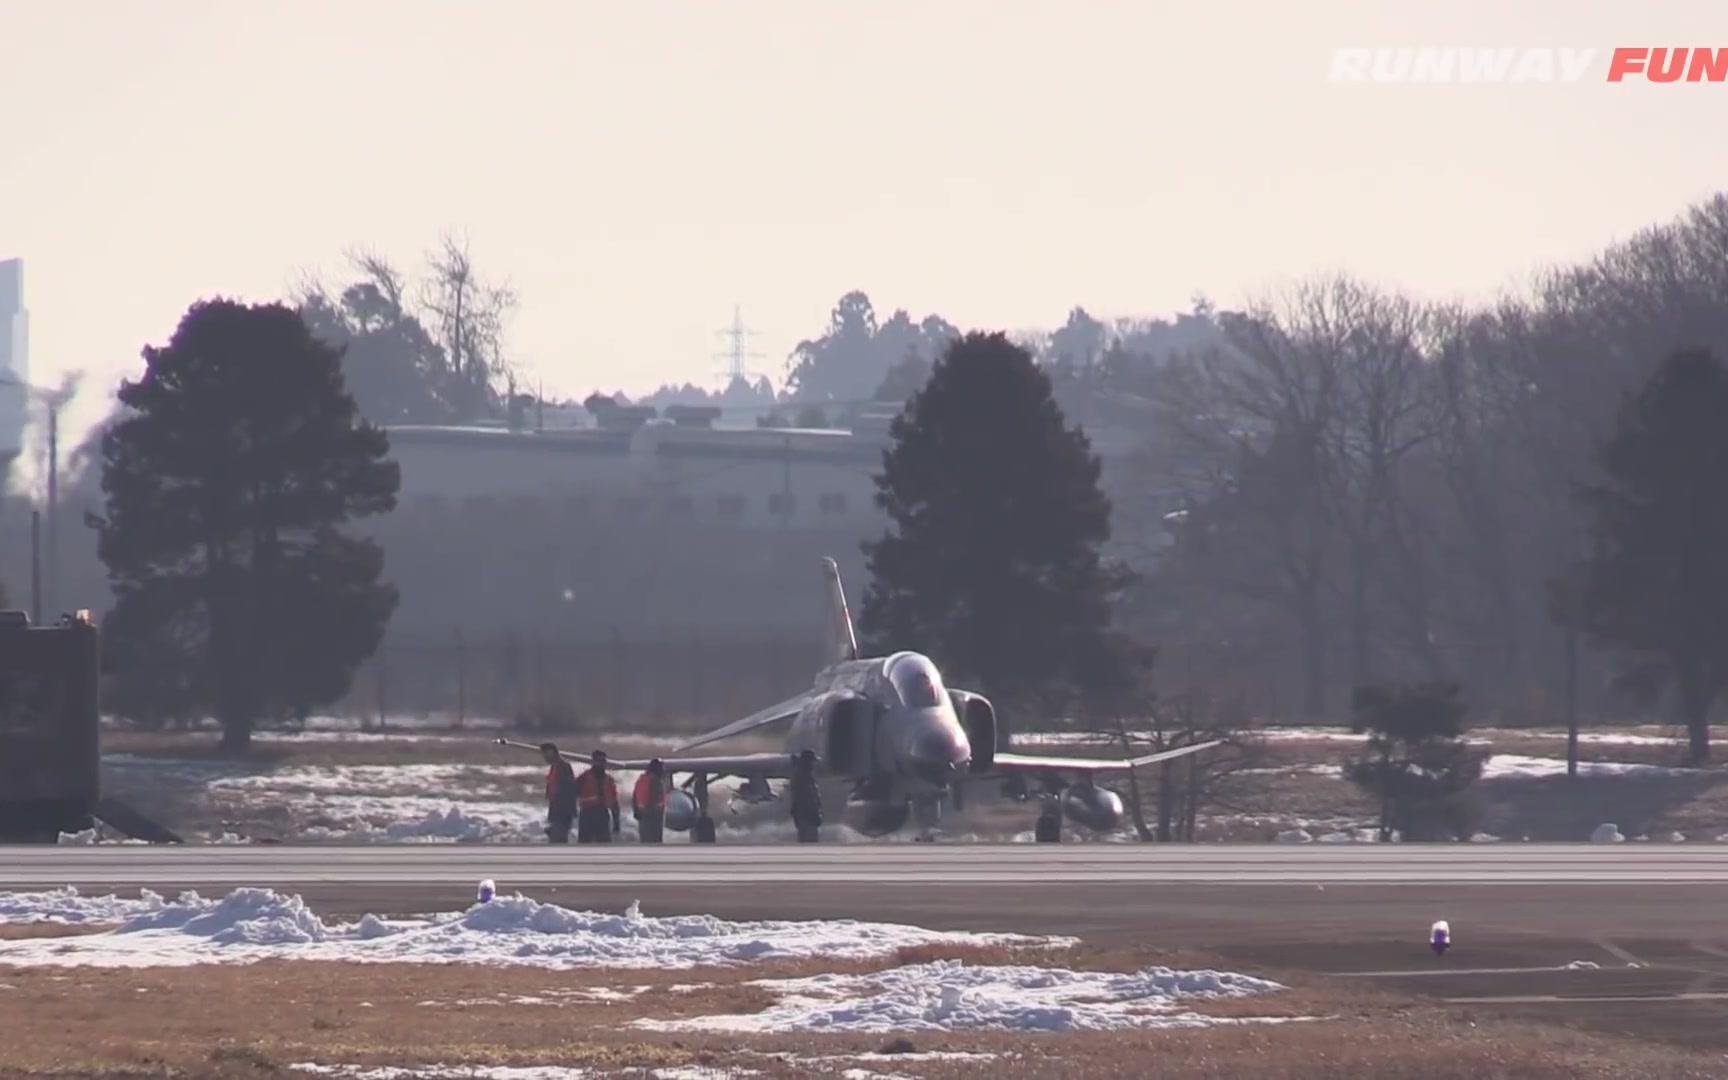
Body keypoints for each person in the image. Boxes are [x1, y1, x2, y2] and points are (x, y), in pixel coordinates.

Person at [575, 749, 622, 843]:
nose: (601, 764)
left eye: (603, 761)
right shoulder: (583, 778)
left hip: (602, 814)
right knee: (584, 844)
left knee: (604, 844)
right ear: (593, 762)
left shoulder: (609, 780)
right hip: (587, 814)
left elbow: (614, 801)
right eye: (599, 761)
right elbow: (572, 793)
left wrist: (616, 821)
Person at [541, 743, 577, 844]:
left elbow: (568, 790)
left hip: (562, 811)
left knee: (558, 840)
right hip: (556, 810)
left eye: (546, 754)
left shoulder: (563, 767)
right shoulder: (555, 767)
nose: (545, 757)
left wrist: (564, 814)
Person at [633, 758, 668, 844]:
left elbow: (634, 797)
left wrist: (636, 810)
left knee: (645, 839)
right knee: (655, 839)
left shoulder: (641, 780)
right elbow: (657, 799)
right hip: (653, 815)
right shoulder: (656, 781)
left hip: (642, 813)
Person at [790, 748, 822, 843]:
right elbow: (807, 798)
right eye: (812, 761)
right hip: (807, 817)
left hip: (804, 816)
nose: (813, 765)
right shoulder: (803, 777)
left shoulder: (802, 775)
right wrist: (814, 814)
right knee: (809, 842)